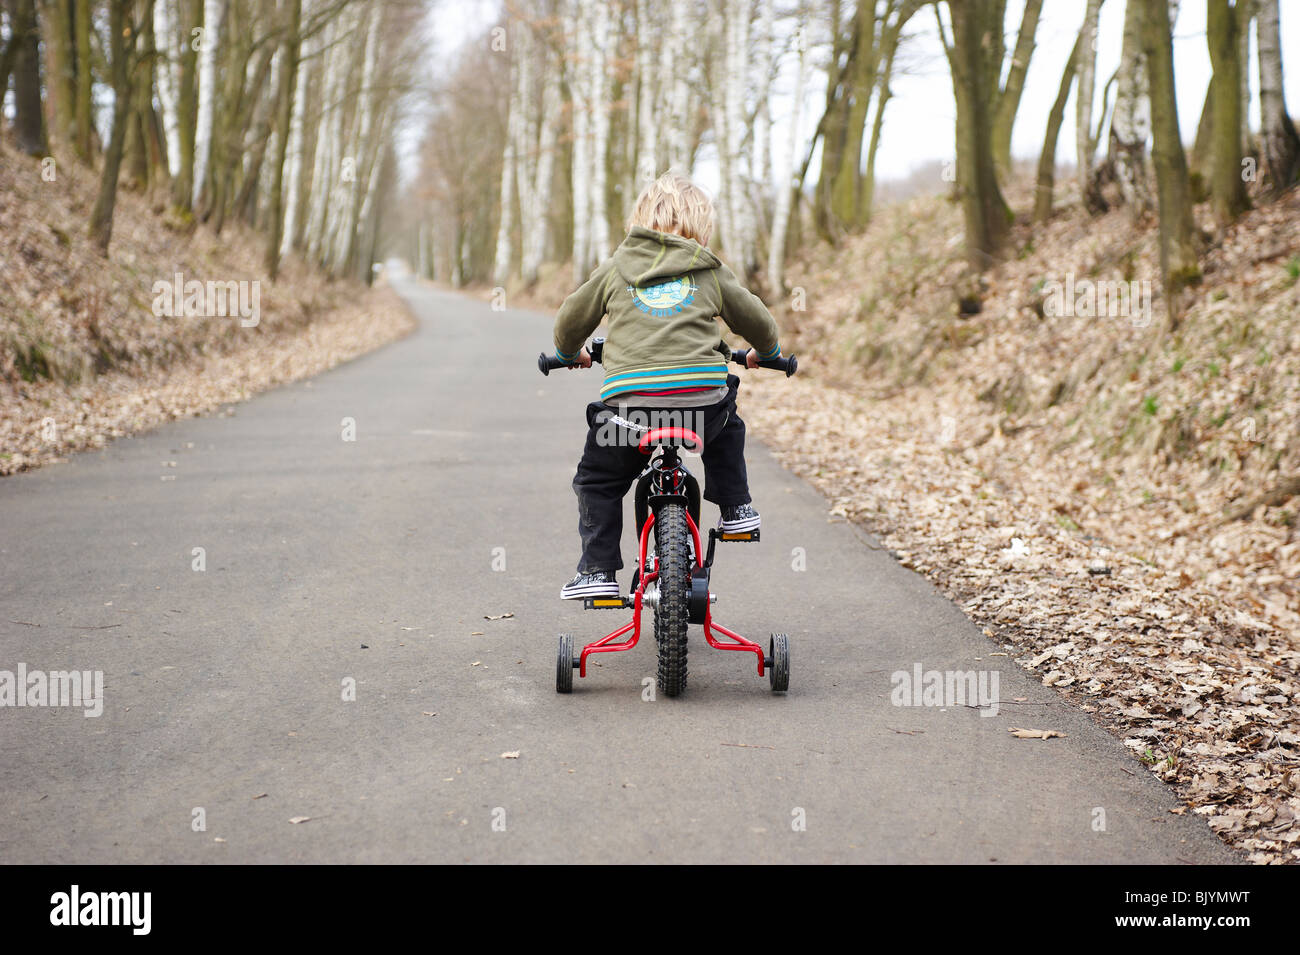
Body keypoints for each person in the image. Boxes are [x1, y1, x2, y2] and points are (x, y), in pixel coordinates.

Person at [552, 172, 782, 600]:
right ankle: (735, 509)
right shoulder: (710, 270)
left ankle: (598, 572)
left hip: (629, 417)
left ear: (640, 219)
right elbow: (758, 321)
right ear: (702, 225)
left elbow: (569, 320)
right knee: (727, 421)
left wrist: (569, 353)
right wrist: (766, 351)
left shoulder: (617, 267)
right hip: (702, 408)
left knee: (597, 480)